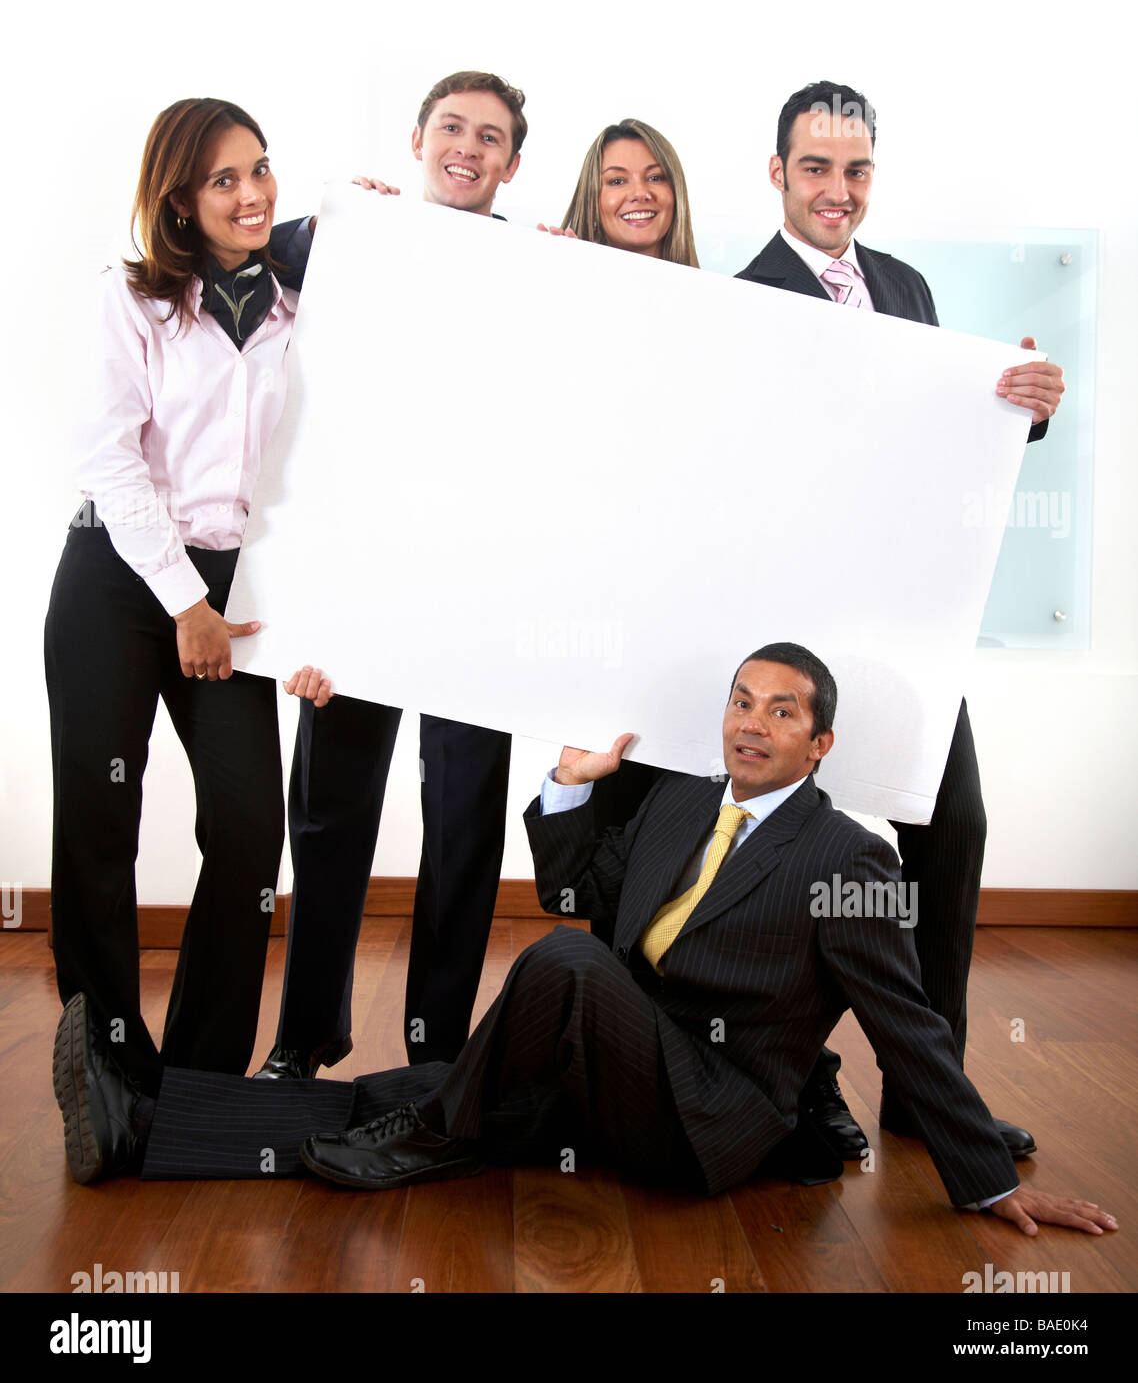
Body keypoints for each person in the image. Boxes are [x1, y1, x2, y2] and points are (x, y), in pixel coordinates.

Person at [53, 645, 1117, 1240]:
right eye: (741, 701)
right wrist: (569, 788)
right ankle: (141, 1121)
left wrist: (983, 1177)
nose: (751, 723)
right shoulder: (674, 806)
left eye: (782, 712)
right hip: (614, 1064)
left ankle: (433, 1133)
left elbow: (910, 1024)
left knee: (553, 973)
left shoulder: (849, 858)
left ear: (819, 742)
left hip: (714, 1116)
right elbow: (572, 893)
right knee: (397, 1087)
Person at [735, 82, 1066, 1163]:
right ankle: (765, 1084)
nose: (838, 190)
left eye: (856, 169)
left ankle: (931, 1093)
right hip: (798, 634)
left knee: (951, 827)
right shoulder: (742, 299)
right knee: (790, 857)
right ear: (776, 173)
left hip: (909, 626)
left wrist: (1019, 410)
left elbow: (944, 436)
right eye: (817, 167)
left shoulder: (907, 285)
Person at [254, 71, 530, 1079]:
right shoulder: (348, 239)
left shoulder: (539, 268)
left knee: (462, 826)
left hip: (478, 593)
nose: (467, 146)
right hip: (361, 585)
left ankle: (434, 1051)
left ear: (511, 163)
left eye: (490, 136)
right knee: (328, 813)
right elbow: (258, 249)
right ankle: (304, 1034)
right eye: (451, 127)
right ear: (418, 138)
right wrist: (323, 218)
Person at [45, 99, 295, 1121]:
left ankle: (194, 1078)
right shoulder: (133, 299)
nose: (252, 194)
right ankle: (106, 1063)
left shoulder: (300, 306)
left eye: (261, 170)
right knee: (100, 821)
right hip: (117, 574)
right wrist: (182, 598)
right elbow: (109, 457)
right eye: (224, 179)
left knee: (246, 828)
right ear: (181, 199)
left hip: (232, 589)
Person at [552, 118, 699, 265]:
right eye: (617, 181)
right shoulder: (565, 273)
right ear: (592, 201)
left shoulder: (714, 287)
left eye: (655, 178)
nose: (640, 193)